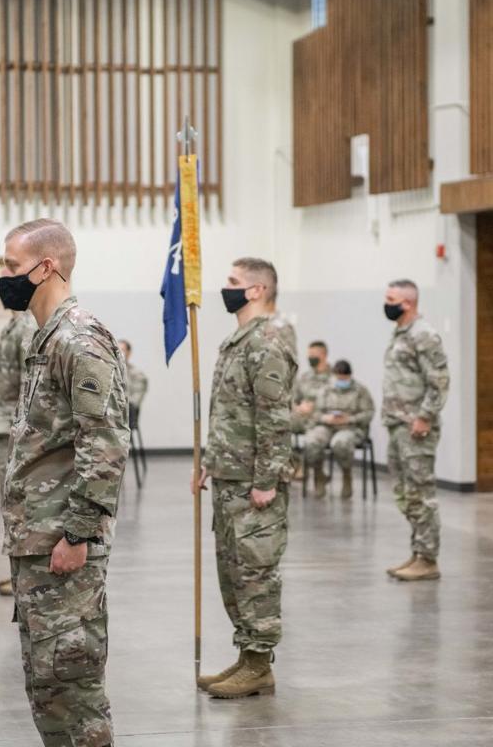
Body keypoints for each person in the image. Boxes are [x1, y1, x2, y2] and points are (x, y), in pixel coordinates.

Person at [0, 219, 128, 747]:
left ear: (45, 266)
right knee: (48, 688)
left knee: (74, 691)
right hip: (36, 539)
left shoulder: (79, 338)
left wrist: (78, 535)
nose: (5, 278)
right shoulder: (45, 337)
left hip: (61, 542)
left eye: (11, 267)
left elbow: (105, 443)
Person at [193, 257, 297, 699]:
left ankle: (259, 665)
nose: (226, 288)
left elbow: (274, 418)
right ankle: (246, 656)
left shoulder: (268, 341)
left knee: (256, 573)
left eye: (234, 282)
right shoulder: (240, 340)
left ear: (257, 291)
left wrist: (267, 480)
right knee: (233, 573)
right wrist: (210, 462)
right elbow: (232, 412)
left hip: (254, 482)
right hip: (229, 475)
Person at [381, 279, 449, 582]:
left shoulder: (423, 334)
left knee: (421, 493)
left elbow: (439, 380)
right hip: (398, 425)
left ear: (408, 302)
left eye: (391, 298)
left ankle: (428, 558)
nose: (387, 303)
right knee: (405, 493)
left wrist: (425, 416)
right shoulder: (402, 332)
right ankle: (418, 551)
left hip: (415, 427)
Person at [0, 309, 37, 597]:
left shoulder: (27, 327)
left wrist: (19, 432)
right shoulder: (12, 325)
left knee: (21, 508)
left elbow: (27, 388)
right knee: (10, 508)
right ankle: (16, 572)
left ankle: (24, 576)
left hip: (16, 433)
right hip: (4, 428)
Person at [303, 360, 374, 499]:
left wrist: (349, 419)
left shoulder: (361, 391)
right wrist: (325, 418)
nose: (341, 381)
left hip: (350, 428)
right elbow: (314, 413)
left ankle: (346, 474)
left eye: (344, 379)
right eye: (338, 378)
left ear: (350, 376)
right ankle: (319, 476)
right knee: (311, 441)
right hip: (326, 426)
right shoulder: (325, 390)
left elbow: (368, 413)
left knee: (340, 443)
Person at [291, 340, 331, 435]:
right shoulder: (305, 377)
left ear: (323, 355)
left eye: (313, 354)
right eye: (309, 354)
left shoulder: (334, 378)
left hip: (323, 421)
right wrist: (299, 408)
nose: (310, 357)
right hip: (303, 419)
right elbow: (293, 399)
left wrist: (313, 408)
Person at [118, 339, 148, 418]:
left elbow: (135, 400)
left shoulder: (137, 374)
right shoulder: (109, 371)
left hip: (126, 417)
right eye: (117, 350)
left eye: (123, 350)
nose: (120, 353)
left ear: (129, 353)